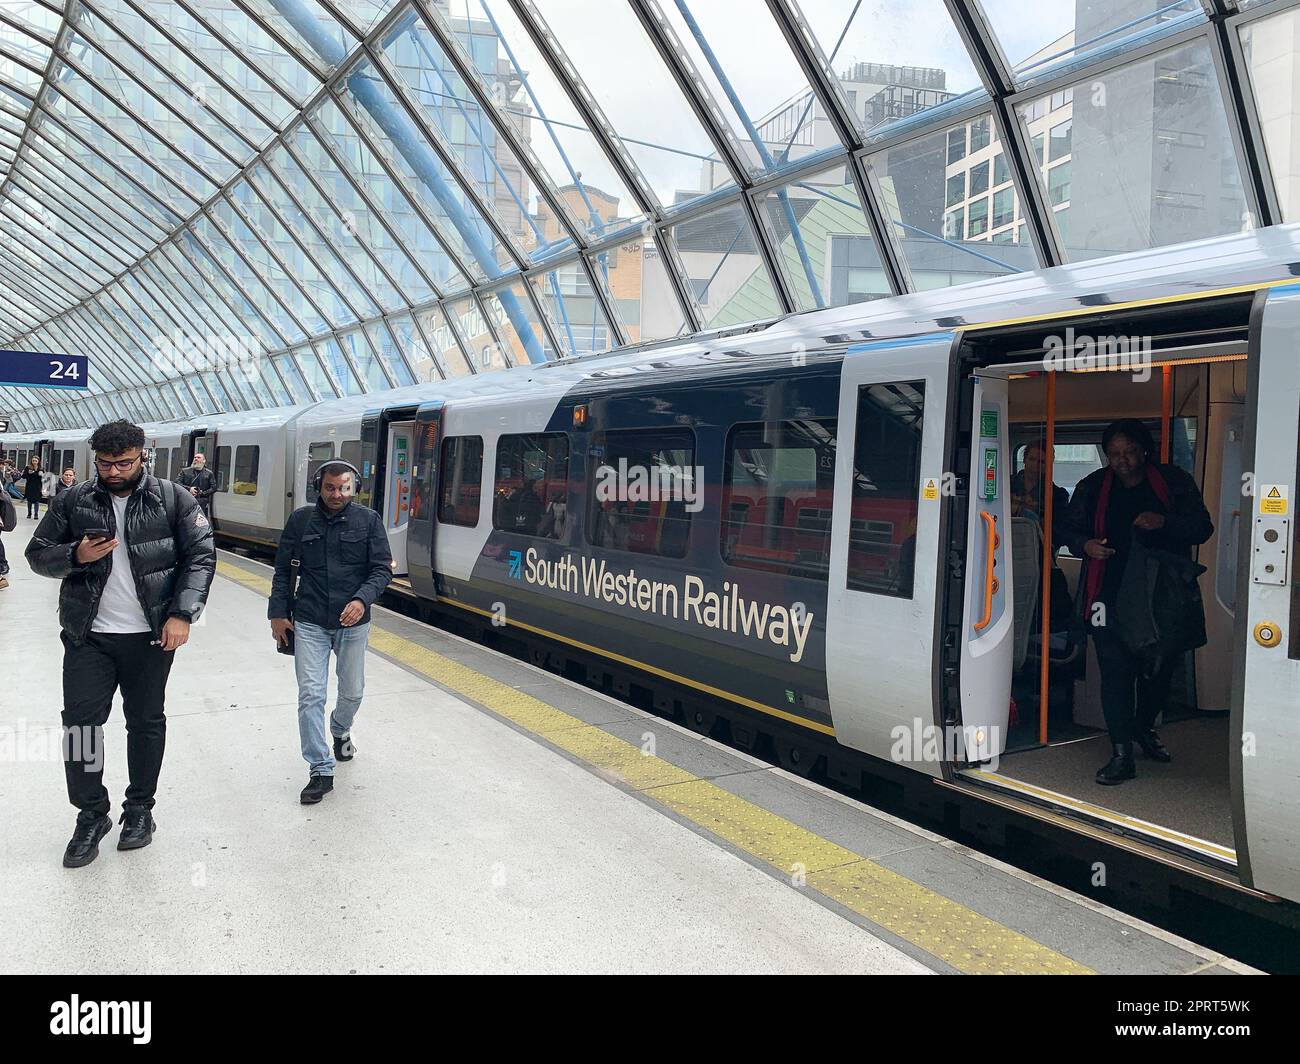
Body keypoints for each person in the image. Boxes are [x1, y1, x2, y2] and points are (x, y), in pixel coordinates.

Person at [25, 420, 216, 868]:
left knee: (146, 722)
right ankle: (91, 815)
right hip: (88, 635)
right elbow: (36, 555)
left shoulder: (174, 497)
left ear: (141, 456)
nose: (113, 471)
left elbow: (202, 556)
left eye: (124, 463)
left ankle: (140, 811)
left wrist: (182, 613)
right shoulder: (74, 500)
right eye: (106, 463)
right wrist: (75, 555)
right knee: (80, 727)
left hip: (150, 636)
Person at [1062, 419, 1213, 785]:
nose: (1123, 461)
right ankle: (1120, 752)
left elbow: (1203, 528)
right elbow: (1065, 529)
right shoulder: (1093, 486)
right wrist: (1085, 546)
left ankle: (1144, 728)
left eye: (1130, 452)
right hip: (1108, 592)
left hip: (1160, 595)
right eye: (1114, 454)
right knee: (1114, 672)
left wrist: (1163, 522)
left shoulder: (1174, 482)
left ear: (1145, 449)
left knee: (1159, 669)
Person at [268, 460, 392, 805]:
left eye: (344, 488)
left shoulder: (368, 521)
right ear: (318, 487)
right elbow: (282, 571)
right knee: (311, 695)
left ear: (354, 488)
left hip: (353, 622)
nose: (337, 495)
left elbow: (382, 571)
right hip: (308, 619)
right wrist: (278, 614)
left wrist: (361, 600)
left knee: (352, 691)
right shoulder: (300, 520)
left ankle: (340, 729)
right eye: (330, 488)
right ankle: (320, 769)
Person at [177, 452, 216, 519]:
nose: (196, 459)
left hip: (201, 502)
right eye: (195, 457)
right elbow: (177, 483)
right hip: (186, 500)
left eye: (198, 457)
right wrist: (189, 489)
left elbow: (213, 487)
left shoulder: (209, 473)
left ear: (204, 461)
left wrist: (202, 493)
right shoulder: (185, 471)